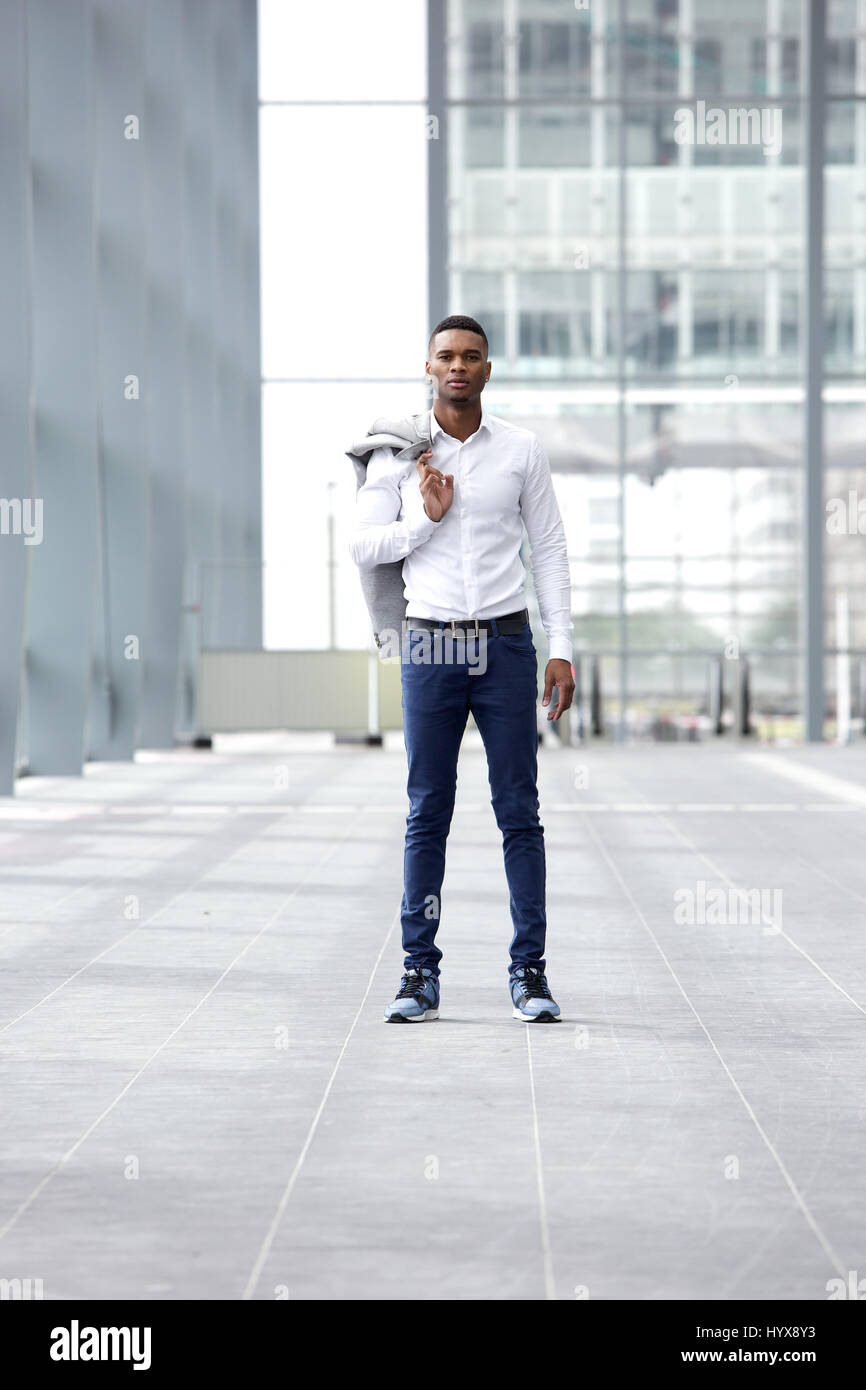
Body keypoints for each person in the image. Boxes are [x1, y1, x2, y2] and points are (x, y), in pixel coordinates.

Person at [349, 315, 574, 1023]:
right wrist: (426, 521)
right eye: (446, 355)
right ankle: (419, 973)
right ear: (428, 366)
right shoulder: (398, 457)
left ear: (486, 368)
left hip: (506, 644)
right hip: (431, 644)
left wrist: (561, 644)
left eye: (471, 356)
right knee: (427, 811)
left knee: (519, 812)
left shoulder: (521, 450)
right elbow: (364, 547)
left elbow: (551, 549)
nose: (458, 366)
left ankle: (529, 972)